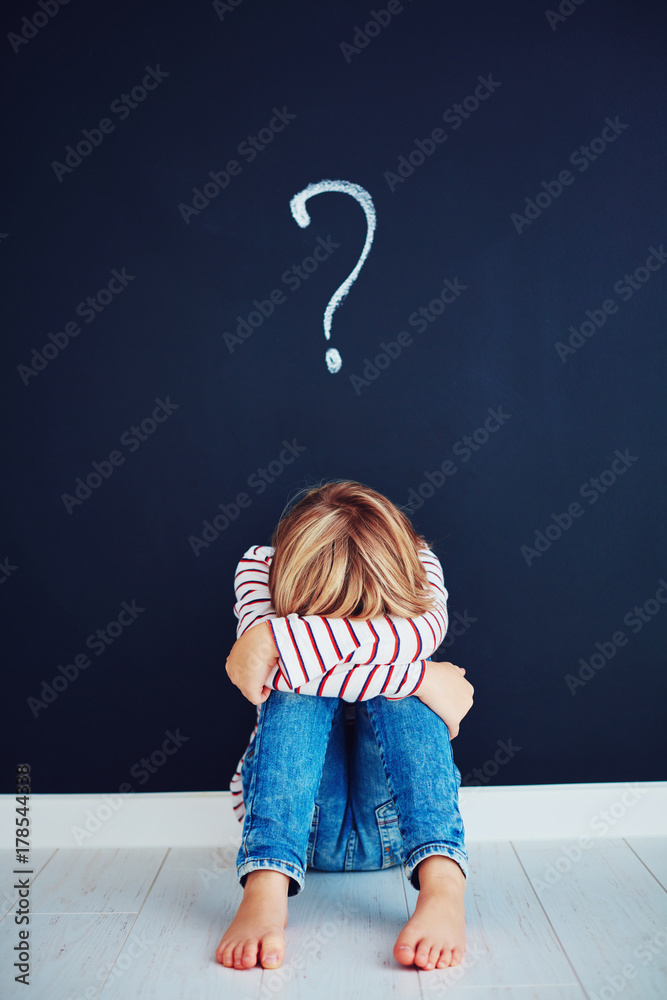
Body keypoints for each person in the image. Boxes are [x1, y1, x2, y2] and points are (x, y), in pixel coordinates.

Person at [216, 480, 474, 973]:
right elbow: (275, 675)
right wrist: (426, 677)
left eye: (364, 616)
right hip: (301, 829)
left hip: (398, 829)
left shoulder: (421, 563)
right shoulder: (260, 567)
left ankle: (443, 884)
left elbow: (417, 637)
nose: (350, 623)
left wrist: (279, 638)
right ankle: (265, 883)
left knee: (396, 692)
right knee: (297, 691)